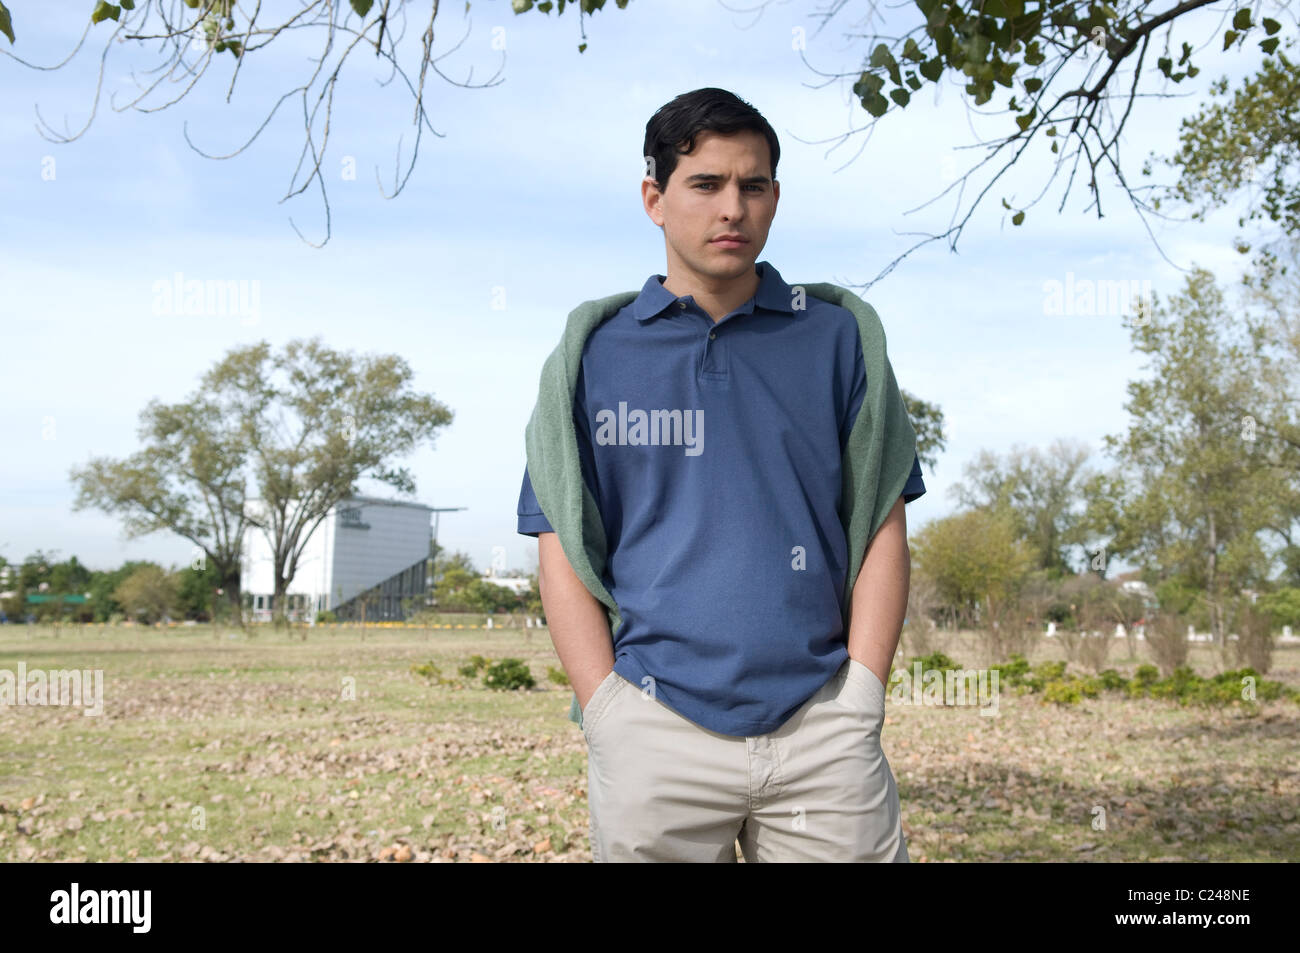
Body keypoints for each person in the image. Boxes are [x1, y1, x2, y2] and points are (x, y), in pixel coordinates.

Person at [516, 87, 926, 862]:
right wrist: (605, 707)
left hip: (822, 729)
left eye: (753, 184)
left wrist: (862, 693)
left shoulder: (839, 339)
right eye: (705, 183)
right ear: (655, 198)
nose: (731, 207)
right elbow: (559, 538)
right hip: (654, 730)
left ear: (775, 198)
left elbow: (881, 525)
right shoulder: (590, 356)